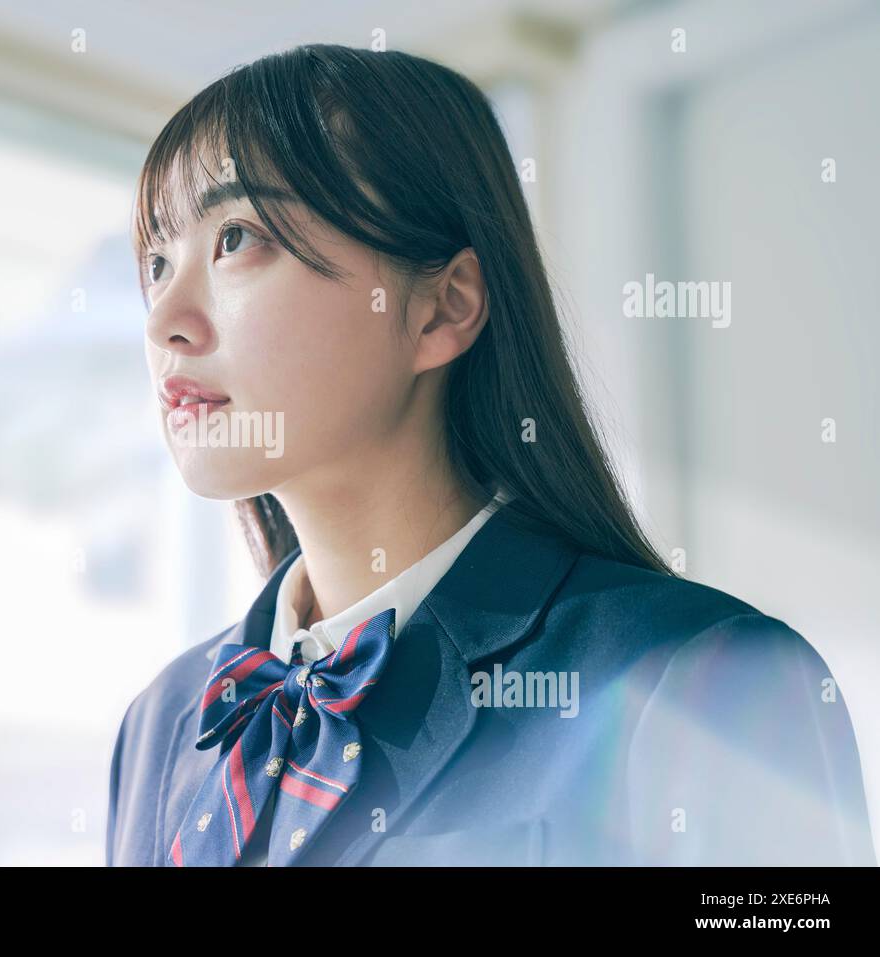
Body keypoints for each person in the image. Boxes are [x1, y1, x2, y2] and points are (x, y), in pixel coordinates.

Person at [106, 43, 874, 867]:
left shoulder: (703, 680)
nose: (164, 320)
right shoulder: (164, 724)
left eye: (236, 237)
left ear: (443, 307)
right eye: (156, 261)